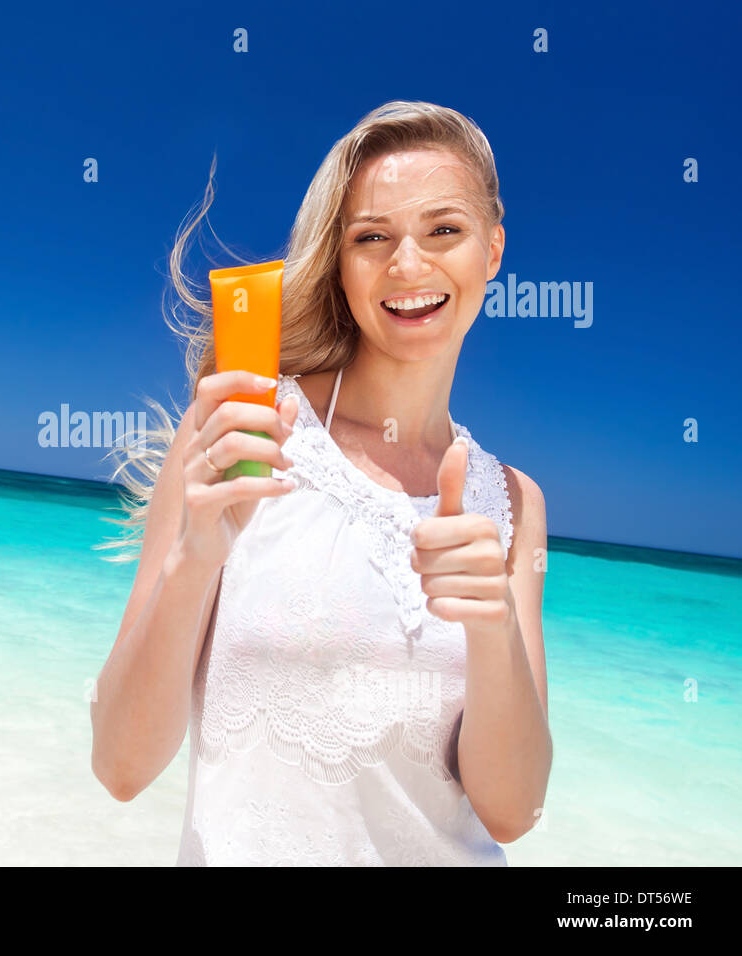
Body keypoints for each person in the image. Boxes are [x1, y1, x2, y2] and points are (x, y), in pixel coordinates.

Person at [90, 101, 551, 865]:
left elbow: (513, 811)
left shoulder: (512, 502)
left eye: (445, 230)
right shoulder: (244, 430)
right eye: (373, 237)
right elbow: (120, 766)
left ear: (493, 249)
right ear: (340, 260)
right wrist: (194, 557)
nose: (409, 265)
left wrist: (493, 625)